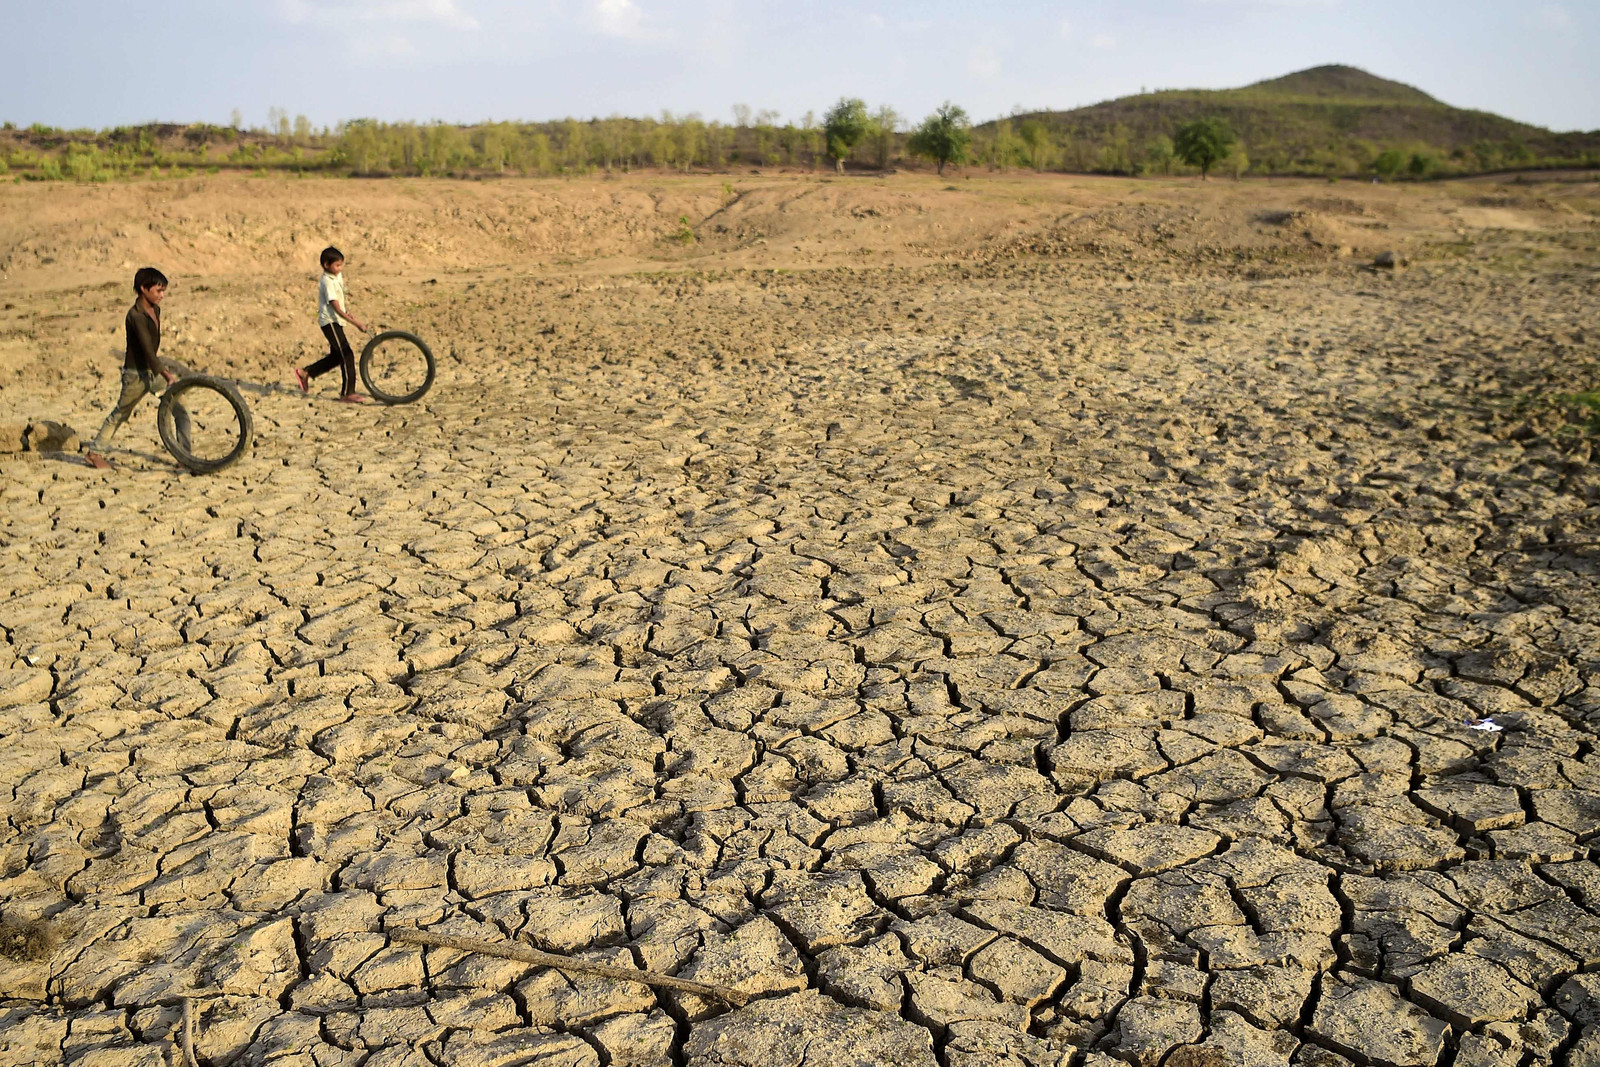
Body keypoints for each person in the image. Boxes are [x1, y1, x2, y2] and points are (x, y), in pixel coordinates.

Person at [85, 267, 179, 470]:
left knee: (180, 409)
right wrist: (166, 373)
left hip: (153, 372)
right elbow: (147, 350)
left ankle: (184, 455)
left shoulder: (155, 309)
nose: (162, 296)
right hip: (136, 375)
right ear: (143, 289)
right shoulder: (135, 316)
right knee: (121, 414)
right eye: (158, 291)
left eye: (163, 291)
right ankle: (95, 452)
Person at [293, 246, 369, 402]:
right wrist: (356, 323)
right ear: (326, 265)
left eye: (341, 265)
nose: (340, 268)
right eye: (337, 265)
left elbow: (340, 302)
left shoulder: (336, 276)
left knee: (336, 357)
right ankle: (347, 393)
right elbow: (335, 307)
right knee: (347, 355)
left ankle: (305, 373)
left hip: (337, 321)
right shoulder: (327, 281)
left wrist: (347, 313)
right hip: (330, 322)